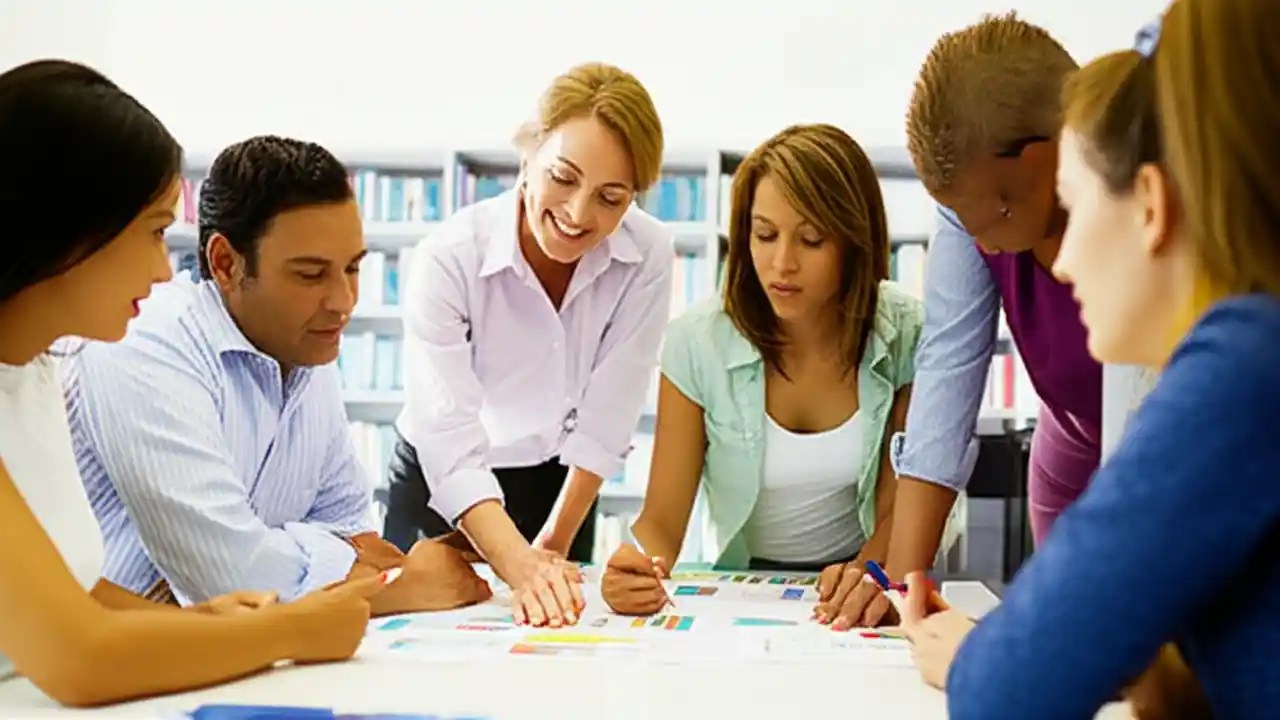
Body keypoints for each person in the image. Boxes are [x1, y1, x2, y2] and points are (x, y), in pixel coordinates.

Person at [906, 5, 1280, 717]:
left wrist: (977, 656)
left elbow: (1008, 690)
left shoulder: (1241, 368)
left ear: (1149, 204)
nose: (1064, 264)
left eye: (1075, 206)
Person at [0, 59, 384, 707]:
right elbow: (78, 658)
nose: (162, 272)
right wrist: (288, 629)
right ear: (66, 231)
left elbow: (71, 593)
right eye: (154, 233)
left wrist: (208, 624)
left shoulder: (33, 373)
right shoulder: (136, 351)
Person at [63, 134, 490, 616]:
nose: (344, 301)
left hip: (238, 656)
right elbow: (224, 576)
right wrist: (398, 590)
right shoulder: (145, 342)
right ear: (225, 263)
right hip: (108, 666)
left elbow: (353, 531)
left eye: (351, 269)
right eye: (310, 274)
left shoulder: (306, 346)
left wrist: (276, 549)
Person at [835, 12, 1104, 627]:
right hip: (1068, 455)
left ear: (1043, 163)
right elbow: (947, 373)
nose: (977, 236)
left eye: (991, 213)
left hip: (1160, 453)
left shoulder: (1136, 193)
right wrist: (905, 589)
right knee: (1073, 635)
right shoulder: (972, 208)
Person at [385, 62, 673, 628]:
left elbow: (610, 412)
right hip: (441, 483)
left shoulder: (647, 255)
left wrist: (550, 545)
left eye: (611, 198)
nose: (578, 213)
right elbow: (448, 436)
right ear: (527, 155)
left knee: (551, 651)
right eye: (562, 178)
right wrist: (516, 563)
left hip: (556, 485)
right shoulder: (448, 258)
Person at [601, 124, 924, 629]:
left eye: (812, 239)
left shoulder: (907, 333)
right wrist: (635, 567)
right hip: (742, 591)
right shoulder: (696, 341)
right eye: (764, 234)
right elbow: (662, 523)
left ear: (854, 241)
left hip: (867, 581)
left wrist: (870, 575)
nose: (781, 263)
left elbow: (900, 508)